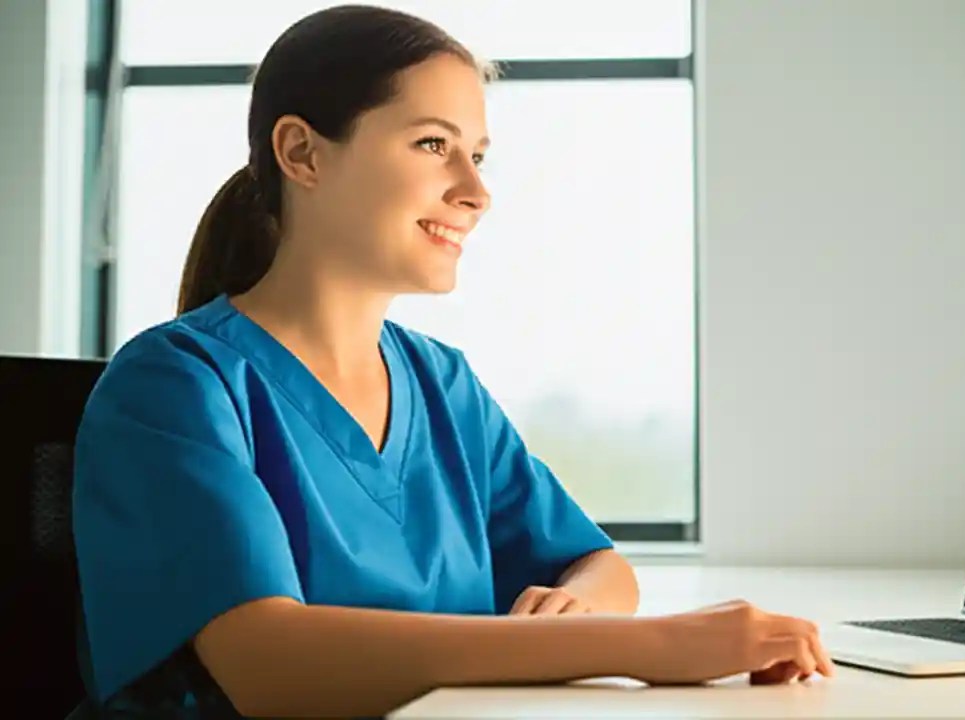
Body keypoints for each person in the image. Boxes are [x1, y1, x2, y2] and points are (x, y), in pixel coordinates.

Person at [70, 4, 834, 717]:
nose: (475, 191)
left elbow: (599, 567)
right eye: (433, 145)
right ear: (301, 152)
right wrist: (646, 646)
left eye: (477, 155)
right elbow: (266, 661)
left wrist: (580, 614)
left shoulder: (444, 385)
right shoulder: (173, 386)